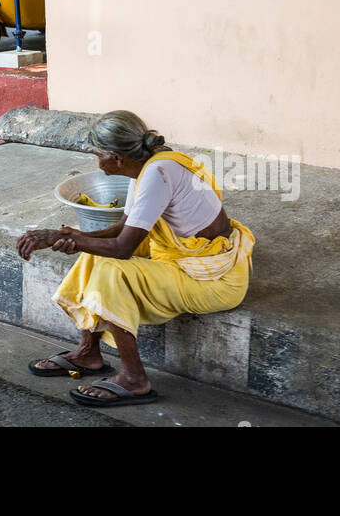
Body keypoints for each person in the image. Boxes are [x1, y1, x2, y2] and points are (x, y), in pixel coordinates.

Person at [16, 111, 256, 406]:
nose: (97, 161)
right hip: (185, 260)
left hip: (214, 279)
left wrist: (66, 239)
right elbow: (121, 228)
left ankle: (134, 378)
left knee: (112, 270)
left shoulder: (157, 173)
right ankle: (88, 352)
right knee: (94, 255)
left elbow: (122, 248)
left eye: (97, 155)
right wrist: (70, 234)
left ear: (116, 157)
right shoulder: (147, 164)